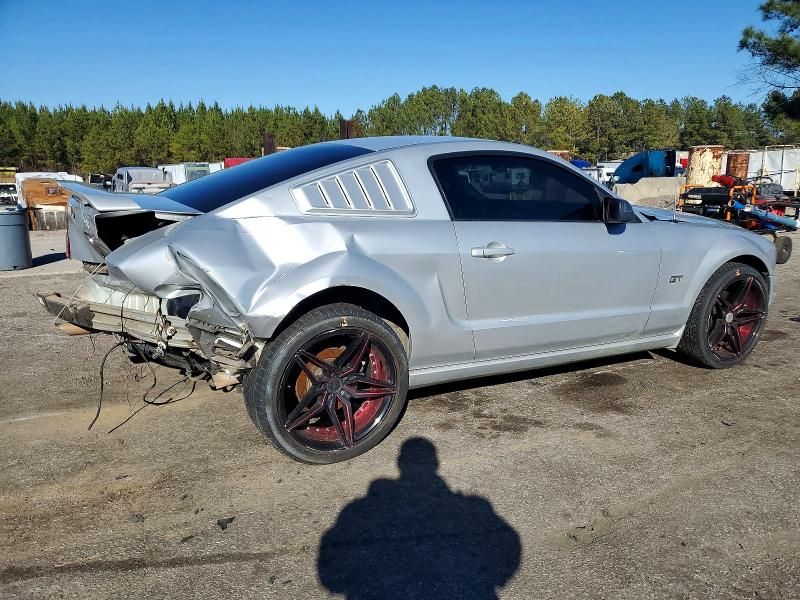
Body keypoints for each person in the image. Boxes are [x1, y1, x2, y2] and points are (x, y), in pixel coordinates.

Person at [318, 437, 521, 599]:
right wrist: (495, 580)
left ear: (400, 463)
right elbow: (508, 541)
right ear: (435, 463)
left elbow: (330, 571)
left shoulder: (359, 510)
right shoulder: (472, 508)